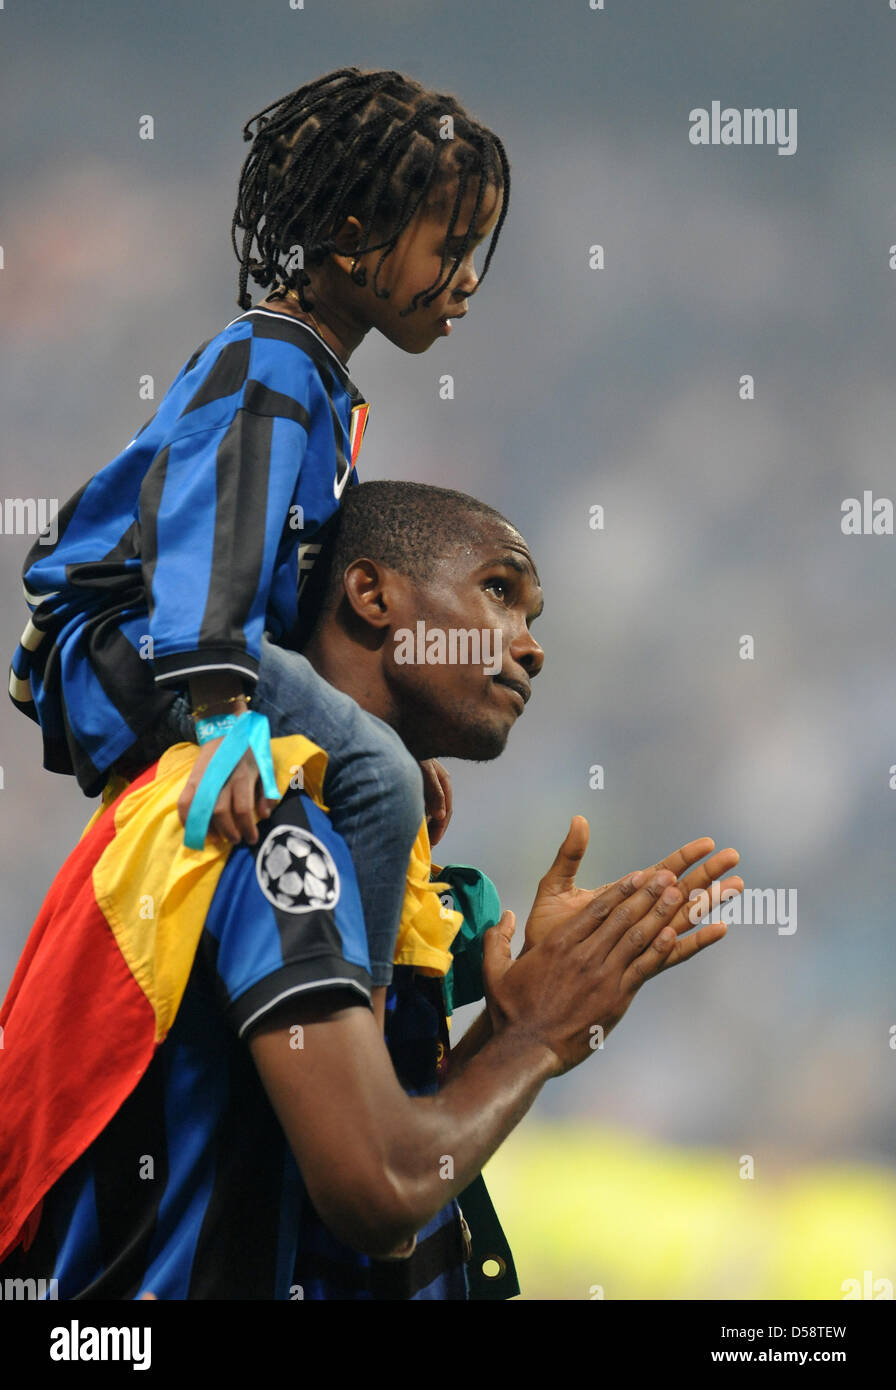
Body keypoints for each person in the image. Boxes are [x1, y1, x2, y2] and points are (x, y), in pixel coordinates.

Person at [0, 481, 742, 1299]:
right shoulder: (260, 817)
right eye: (500, 592)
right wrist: (535, 1038)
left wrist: (508, 1025)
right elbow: (378, 1193)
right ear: (372, 594)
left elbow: (378, 1178)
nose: (530, 647)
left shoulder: (364, 850)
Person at [7, 66, 509, 991]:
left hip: (171, 642)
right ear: (355, 241)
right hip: (133, 640)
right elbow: (213, 546)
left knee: (380, 767)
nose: (469, 277)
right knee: (378, 782)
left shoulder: (311, 375)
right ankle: (341, 1019)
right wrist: (224, 720)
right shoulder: (273, 362)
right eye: (452, 245)